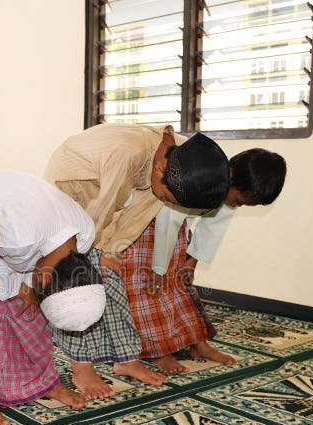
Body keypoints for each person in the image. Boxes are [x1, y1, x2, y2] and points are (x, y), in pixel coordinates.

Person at [44, 123, 285, 397]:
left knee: (114, 288)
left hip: (106, 216)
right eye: (171, 199)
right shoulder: (131, 156)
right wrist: (92, 254)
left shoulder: (177, 166)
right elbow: (106, 207)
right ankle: (82, 367)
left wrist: (111, 251)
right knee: (77, 287)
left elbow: (137, 212)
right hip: (73, 192)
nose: (171, 203)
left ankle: (128, 360)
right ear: (161, 170)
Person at [0, 171, 105, 425]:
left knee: (29, 318)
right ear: (44, 279)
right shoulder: (19, 237)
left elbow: (35, 261)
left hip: (14, 234)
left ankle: (44, 383)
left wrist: (28, 285)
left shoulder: (85, 235)